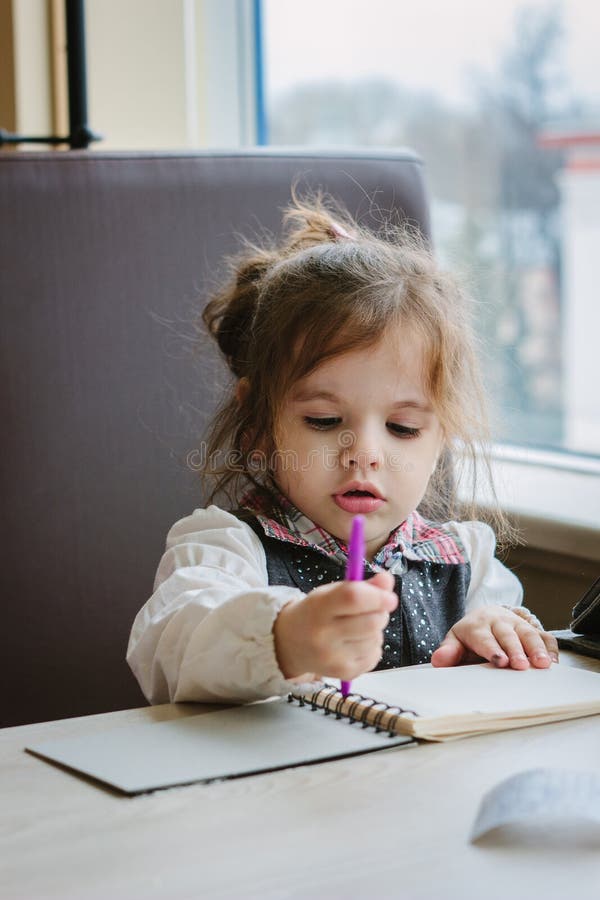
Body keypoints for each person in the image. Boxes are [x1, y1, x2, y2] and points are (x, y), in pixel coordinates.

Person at [127, 195, 559, 705]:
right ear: (261, 425)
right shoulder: (225, 548)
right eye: (325, 421)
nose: (365, 453)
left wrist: (496, 635)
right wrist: (284, 637)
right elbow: (171, 647)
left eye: (402, 427)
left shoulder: (468, 562)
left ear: (442, 434)